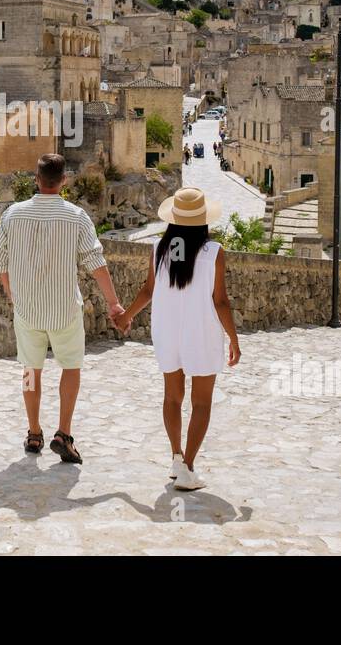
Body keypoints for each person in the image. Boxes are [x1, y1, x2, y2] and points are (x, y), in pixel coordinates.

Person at [0, 153, 125, 464]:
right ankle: (63, 433)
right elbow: (96, 262)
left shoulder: (12, 215)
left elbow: (0, 261)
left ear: (36, 180)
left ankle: (33, 431)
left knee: (30, 370)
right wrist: (113, 303)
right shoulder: (77, 217)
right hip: (65, 308)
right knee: (71, 367)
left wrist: (14, 296)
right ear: (64, 180)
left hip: (27, 309)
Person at [114, 187, 240, 490]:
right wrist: (234, 339)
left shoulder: (159, 249)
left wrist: (127, 315)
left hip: (167, 331)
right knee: (201, 403)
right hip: (202, 332)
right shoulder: (213, 253)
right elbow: (220, 301)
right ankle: (188, 467)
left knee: (172, 397)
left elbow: (148, 290)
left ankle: (176, 456)